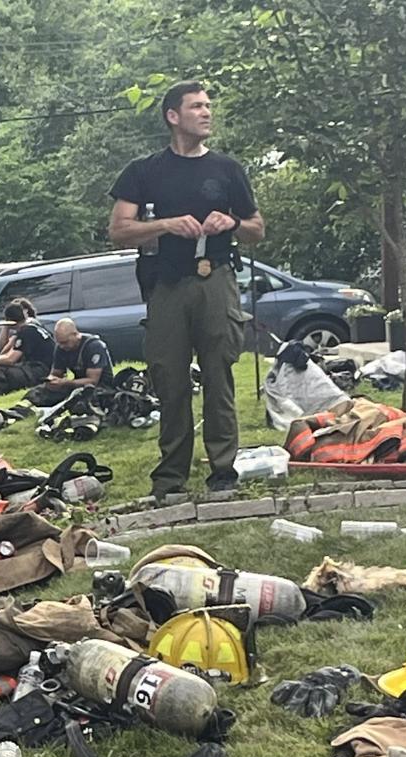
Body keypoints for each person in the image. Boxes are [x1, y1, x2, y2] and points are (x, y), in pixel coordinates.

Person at [108, 79, 265, 498]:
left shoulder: (227, 169)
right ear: (172, 116)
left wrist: (231, 223)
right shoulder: (144, 171)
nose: (207, 112)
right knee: (169, 378)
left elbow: (256, 229)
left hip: (216, 279)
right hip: (166, 284)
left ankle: (223, 473)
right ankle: (170, 478)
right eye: (196, 106)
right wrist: (164, 224)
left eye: (208, 105)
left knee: (219, 375)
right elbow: (119, 230)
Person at [0, 299, 54, 394]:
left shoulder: (27, 331)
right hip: (44, 367)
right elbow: (4, 349)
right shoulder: (30, 327)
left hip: (41, 369)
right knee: (1, 368)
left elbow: (10, 359)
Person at [45, 318, 113, 390]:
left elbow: (93, 381)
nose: (61, 346)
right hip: (76, 385)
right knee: (38, 393)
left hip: (101, 386)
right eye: (59, 342)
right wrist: (51, 380)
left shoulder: (94, 346)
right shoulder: (61, 348)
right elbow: (56, 373)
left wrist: (66, 383)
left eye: (65, 342)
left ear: (75, 334)